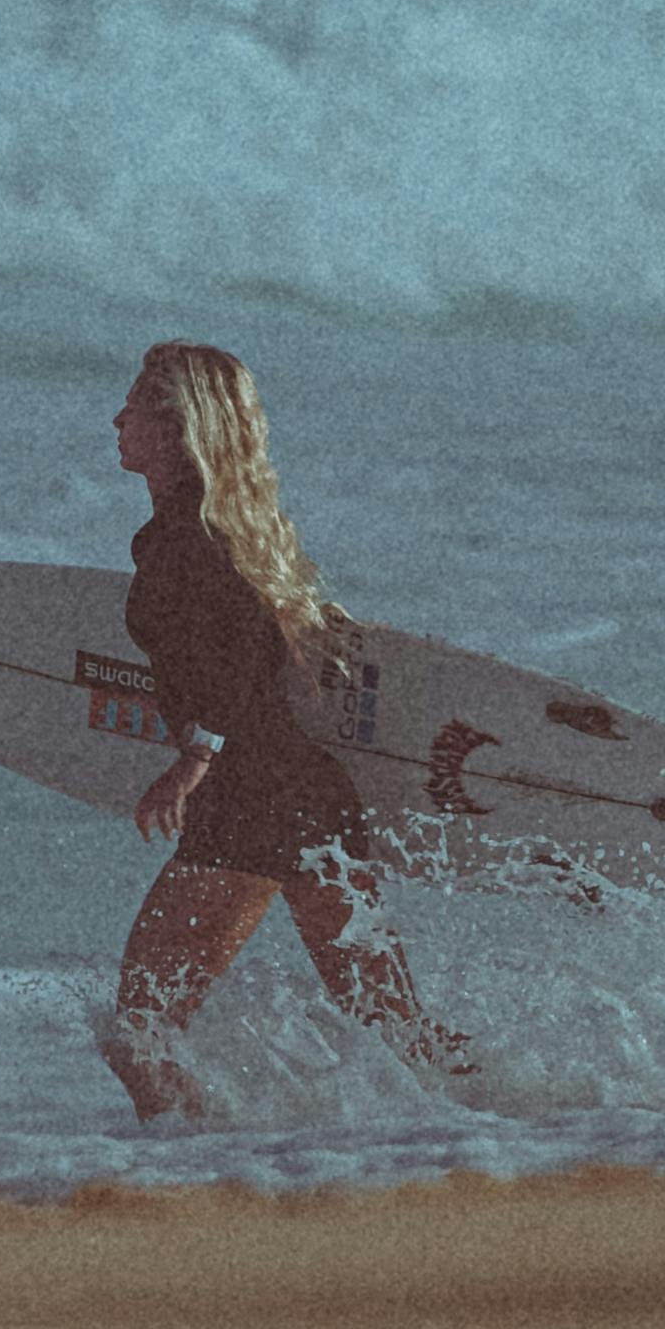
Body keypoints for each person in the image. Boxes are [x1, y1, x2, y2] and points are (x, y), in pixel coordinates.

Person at [100, 339, 470, 1120]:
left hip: (250, 805)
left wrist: (192, 757)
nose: (117, 419)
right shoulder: (228, 533)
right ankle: (545, 1126)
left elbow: (229, 666)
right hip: (308, 796)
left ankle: (192, 1179)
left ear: (176, 427)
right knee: (394, 1027)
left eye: (133, 405)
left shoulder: (180, 542)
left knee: (142, 1033)